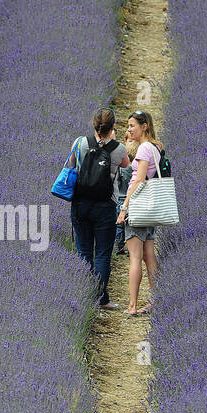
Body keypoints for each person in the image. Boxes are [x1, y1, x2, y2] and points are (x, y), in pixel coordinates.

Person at [68, 108, 131, 311]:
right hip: (105, 206)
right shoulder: (119, 148)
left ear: (94, 125)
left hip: (80, 204)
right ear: (113, 127)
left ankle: (84, 297)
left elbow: (70, 165)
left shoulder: (80, 142)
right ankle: (101, 299)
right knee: (103, 254)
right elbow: (126, 164)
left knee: (83, 252)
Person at [116, 111, 163, 316]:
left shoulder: (144, 148)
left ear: (145, 126)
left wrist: (125, 207)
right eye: (128, 126)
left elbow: (139, 180)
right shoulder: (155, 147)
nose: (129, 129)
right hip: (150, 208)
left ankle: (132, 306)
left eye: (133, 125)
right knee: (148, 255)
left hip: (138, 207)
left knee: (135, 257)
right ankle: (157, 299)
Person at [115, 134, 139, 255]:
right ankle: (131, 249)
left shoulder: (121, 168)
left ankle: (118, 247)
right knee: (132, 225)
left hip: (120, 199)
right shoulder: (137, 168)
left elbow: (116, 183)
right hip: (133, 201)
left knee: (119, 226)